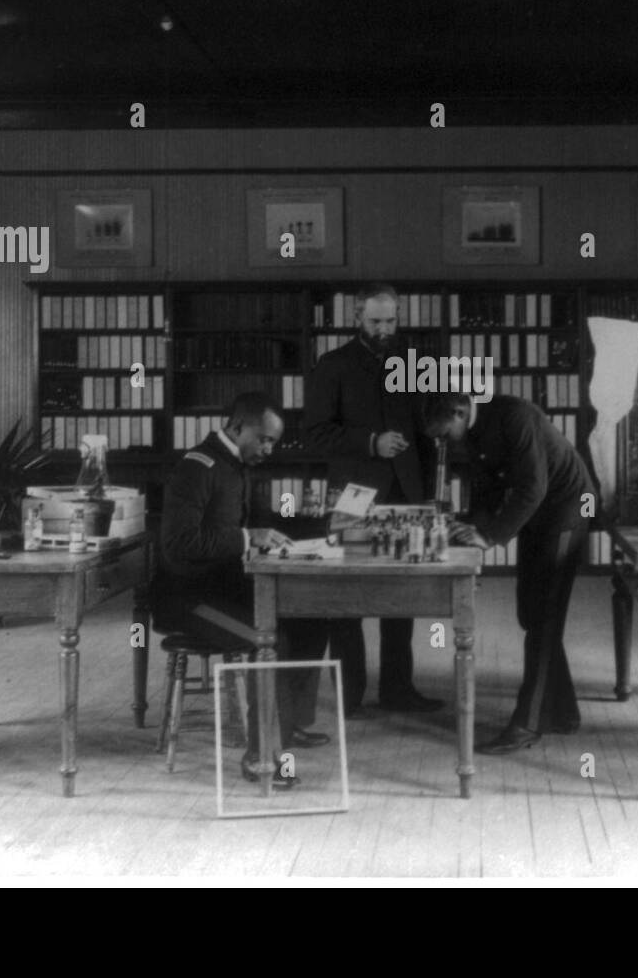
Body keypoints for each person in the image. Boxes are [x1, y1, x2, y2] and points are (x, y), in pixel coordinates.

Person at [156, 392, 329, 789]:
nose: (269, 449)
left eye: (273, 442)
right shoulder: (197, 467)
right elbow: (179, 544)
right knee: (266, 640)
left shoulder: (237, 464)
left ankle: (284, 726)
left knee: (311, 620)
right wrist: (249, 537)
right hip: (188, 599)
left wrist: (324, 525)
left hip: (225, 591)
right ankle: (260, 757)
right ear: (237, 427)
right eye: (264, 439)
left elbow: (262, 523)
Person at [423, 391, 593, 753]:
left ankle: (528, 724)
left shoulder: (515, 415)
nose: (443, 443)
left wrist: (489, 536)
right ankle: (564, 713)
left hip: (568, 509)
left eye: (444, 434)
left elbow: (533, 486)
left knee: (545, 619)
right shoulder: (471, 433)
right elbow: (488, 492)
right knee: (531, 613)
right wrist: (471, 527)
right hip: (537, 514)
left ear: (459, 412)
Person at [304, 282, 441, 716]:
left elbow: (427, 435)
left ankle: (398, 689)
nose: (384, 329)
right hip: (353, 498)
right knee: (347, 600)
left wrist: (430, 496)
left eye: (391, 321)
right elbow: (315, 433)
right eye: (375, 321)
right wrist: (370, 443)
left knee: (401, 598)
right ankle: (349, 696)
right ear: (357, 318)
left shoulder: (413, 363)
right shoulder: (333, 365)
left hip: (408, 492)